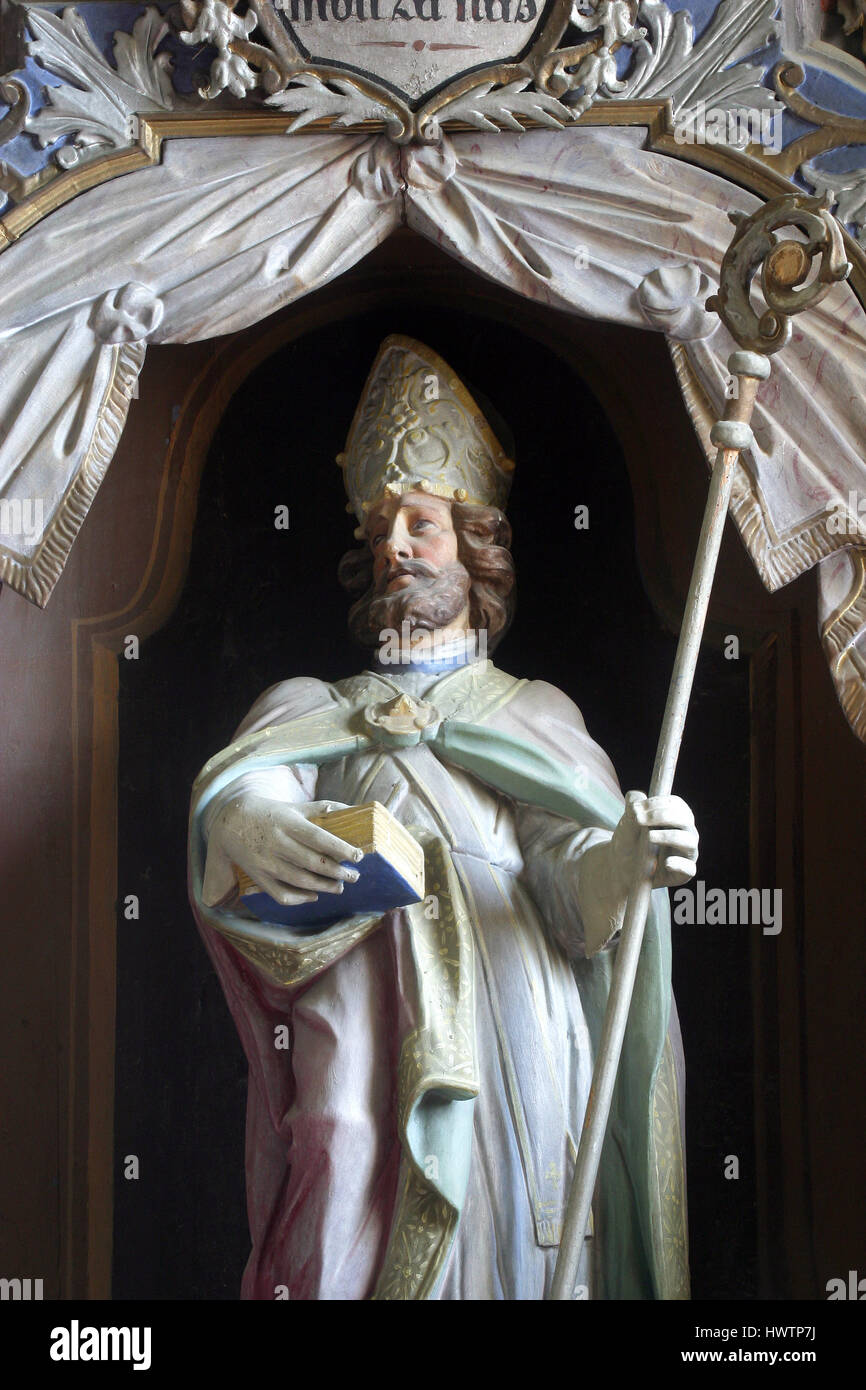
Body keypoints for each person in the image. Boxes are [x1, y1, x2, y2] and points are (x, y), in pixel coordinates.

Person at [188, 335, 698, 1300]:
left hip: (515, 1030)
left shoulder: (533, 714)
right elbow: (244, 794)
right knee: (352, 1231)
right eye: (379, 528)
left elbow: (573, 887)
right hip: (367, 1048)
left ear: (475, 540)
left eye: (419, 523)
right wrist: (250, 824)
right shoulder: (310, 706)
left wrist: (629, 860)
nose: (394, 545)